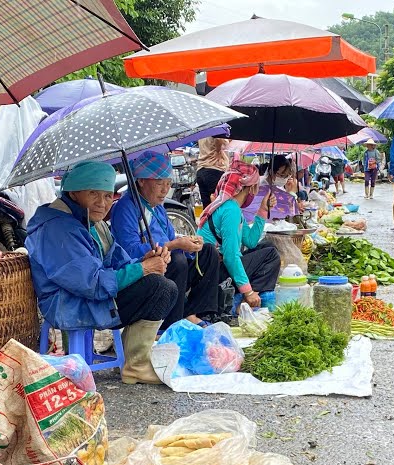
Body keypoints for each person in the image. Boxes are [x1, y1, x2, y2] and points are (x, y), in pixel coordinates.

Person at [27, 161, 179, 384]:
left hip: (90, 294)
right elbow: (92, 284)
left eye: (108, 196)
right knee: (160, 288)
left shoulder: (91, 221)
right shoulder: (58, 228)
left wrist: (144, 260)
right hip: (70, 303)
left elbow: (118, 260)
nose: (102, 203)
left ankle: (134, 359)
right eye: (93, 194)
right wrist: (143, 269)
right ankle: (136, 366)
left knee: (160, 282)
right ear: (74, 192)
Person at [109, 151, 221, 331]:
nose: (165, 190)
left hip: (169, 267)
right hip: (143, 274)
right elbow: (129, 251)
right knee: (176, 259)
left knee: (208, 252)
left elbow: (170, 237)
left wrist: (187, 243)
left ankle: (192, 313)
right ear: (141, 181)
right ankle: (170, 324)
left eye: (168, 184)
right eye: (159, 183)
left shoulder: (157, 208)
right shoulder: (126, 207)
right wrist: (174, 245)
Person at [196, 160, 281, 309]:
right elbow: (230, 257)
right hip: (214, 273)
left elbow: (251, 241)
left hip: (218, 268)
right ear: (251, 188)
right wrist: (248, 292)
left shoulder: (233, 208)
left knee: (267, 246)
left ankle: (248, 297)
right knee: (271, 255)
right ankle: (247, 300)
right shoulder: (231, 210)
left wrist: (263, 209)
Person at [195, 136, 231, 207]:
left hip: (201, 168)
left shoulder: (203, 132)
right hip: (214, 168)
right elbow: (219, 139)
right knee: (219, 204)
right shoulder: (217, 131)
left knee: (207, 206)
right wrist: (218, 150)